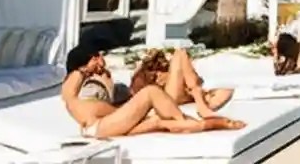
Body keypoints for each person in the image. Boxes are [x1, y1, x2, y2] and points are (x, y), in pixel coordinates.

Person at [62, 45, 243, 138]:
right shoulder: (84, 86)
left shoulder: (101, 87)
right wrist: (85, 70)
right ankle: (194, 113)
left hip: (110, 125)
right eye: (97, 57)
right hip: (101, 127)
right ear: (92, 59)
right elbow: (68, 94)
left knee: (160, 122)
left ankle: (209, 123)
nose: (102, 61)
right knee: (151, 92)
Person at [130, 48, 233, 119]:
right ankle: (201, 106)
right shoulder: (155, 78)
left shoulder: (184, 88)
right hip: (168, 96)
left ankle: (201, 104)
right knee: (180, 52)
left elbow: (226, 92)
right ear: (159, 77)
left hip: (173, 97)